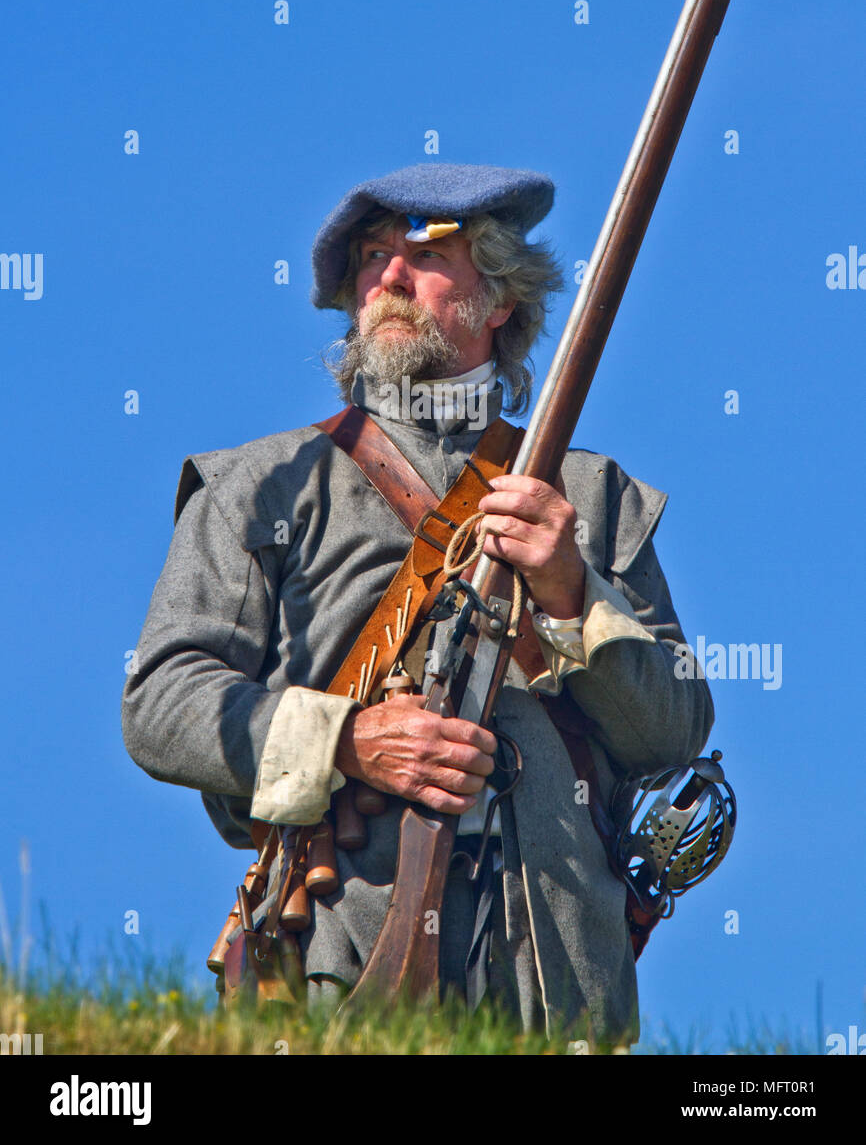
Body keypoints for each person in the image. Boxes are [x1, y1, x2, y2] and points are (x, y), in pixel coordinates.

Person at [122, 161, 713, 1046]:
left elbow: (672, 728)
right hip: (342, 940)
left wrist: (571, 593)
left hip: (558, 971)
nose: (388, 278)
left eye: (424, 255)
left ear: (503, 297)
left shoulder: (590, 499)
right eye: (370, 257)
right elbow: (160, 702)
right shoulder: (259, 486)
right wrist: (349, 742)